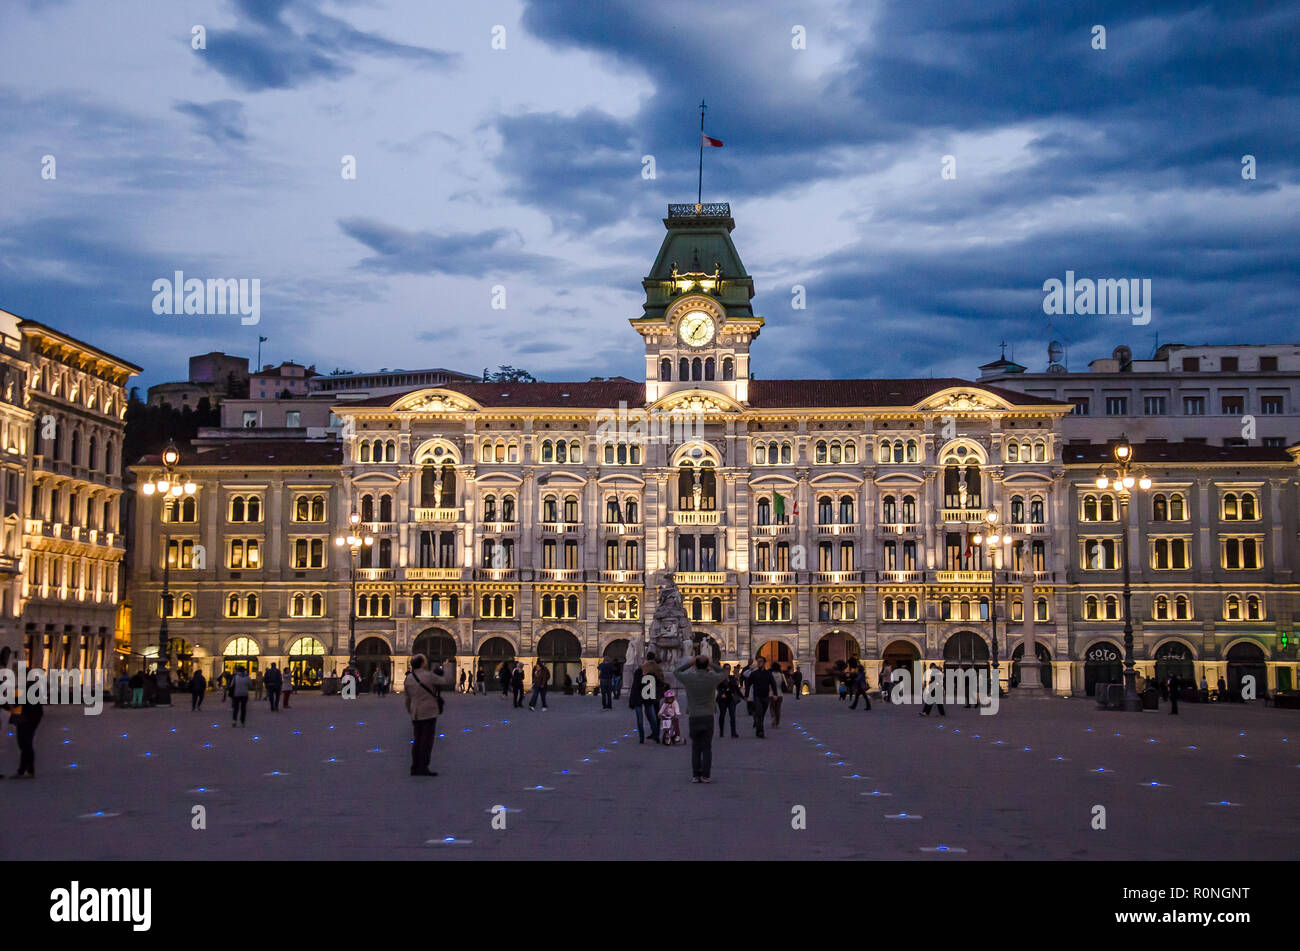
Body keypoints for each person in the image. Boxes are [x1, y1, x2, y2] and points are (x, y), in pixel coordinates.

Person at [677, 656, 727, 782]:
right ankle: (705, 775)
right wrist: (712, 664)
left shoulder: (689, 678)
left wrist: (689, 663)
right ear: (707, 666)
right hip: (708, 716)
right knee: (706, 747)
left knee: (695, 747)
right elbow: (724, 672)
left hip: (694, 716)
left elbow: (676, 672)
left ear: (695, 665)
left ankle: (695, 775)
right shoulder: (712, 678)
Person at [404, 653, 454, 776]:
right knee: (426, 741)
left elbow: (407, 699)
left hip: (415, 713)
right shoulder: (428, 676)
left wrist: (411, 711)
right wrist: (446, 667)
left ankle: (415, 767)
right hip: (429, 712)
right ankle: (423, 767)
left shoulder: (409, 678)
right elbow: (446, 680)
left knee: (417, 740)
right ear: (422, 663)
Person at [8, 667, 44, 778]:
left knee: (24, 743)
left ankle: (26, 769)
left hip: (27, 719)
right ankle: (27, 769)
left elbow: (19, 701)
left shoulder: (29, 687)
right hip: (28, 719)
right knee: (25, 743)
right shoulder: (31, 687)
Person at [745, 656, 777, 738]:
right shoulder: (754, 673)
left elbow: (773, 684)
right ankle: (761, 732)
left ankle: (758, 730)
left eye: (761, 661)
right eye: (758, 661)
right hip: (757, 696)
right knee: (759, 713)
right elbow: (748, 684)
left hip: (765, 696)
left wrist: (775, 694)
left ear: (764, 663)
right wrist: (746, 695)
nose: (759, 663)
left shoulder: (768, 673)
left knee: (762, 715)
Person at [640, 652, 664, 742]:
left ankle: (654, 732)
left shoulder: (644, 666)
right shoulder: (658, 667)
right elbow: (662, 679)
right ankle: (656, 732)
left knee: (648, 713)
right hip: (656, 693)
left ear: (647, 657)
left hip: (647, 692)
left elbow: (641, 679)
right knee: (657, 712)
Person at [716, 664, 740, 738]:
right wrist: (721, 693)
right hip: (722, 700)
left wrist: (743, 697)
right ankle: (721, 732)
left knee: (732, 716)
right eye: (726, 669)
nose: (727, 670)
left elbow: (736, 688)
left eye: (729, 669)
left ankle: (733, 732)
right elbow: (717, 687)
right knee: (722, 715)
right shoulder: (719, 678)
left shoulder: (732, 678)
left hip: (731, 699)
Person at [769, 662, 788, 728]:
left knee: (772, 708)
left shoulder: (770, 674)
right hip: (780, 694)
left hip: (771, 694)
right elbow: (786, 685)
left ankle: (773, 718)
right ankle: (777, 722)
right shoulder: (782, 675)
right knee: (778, 709)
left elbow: (768, 685)